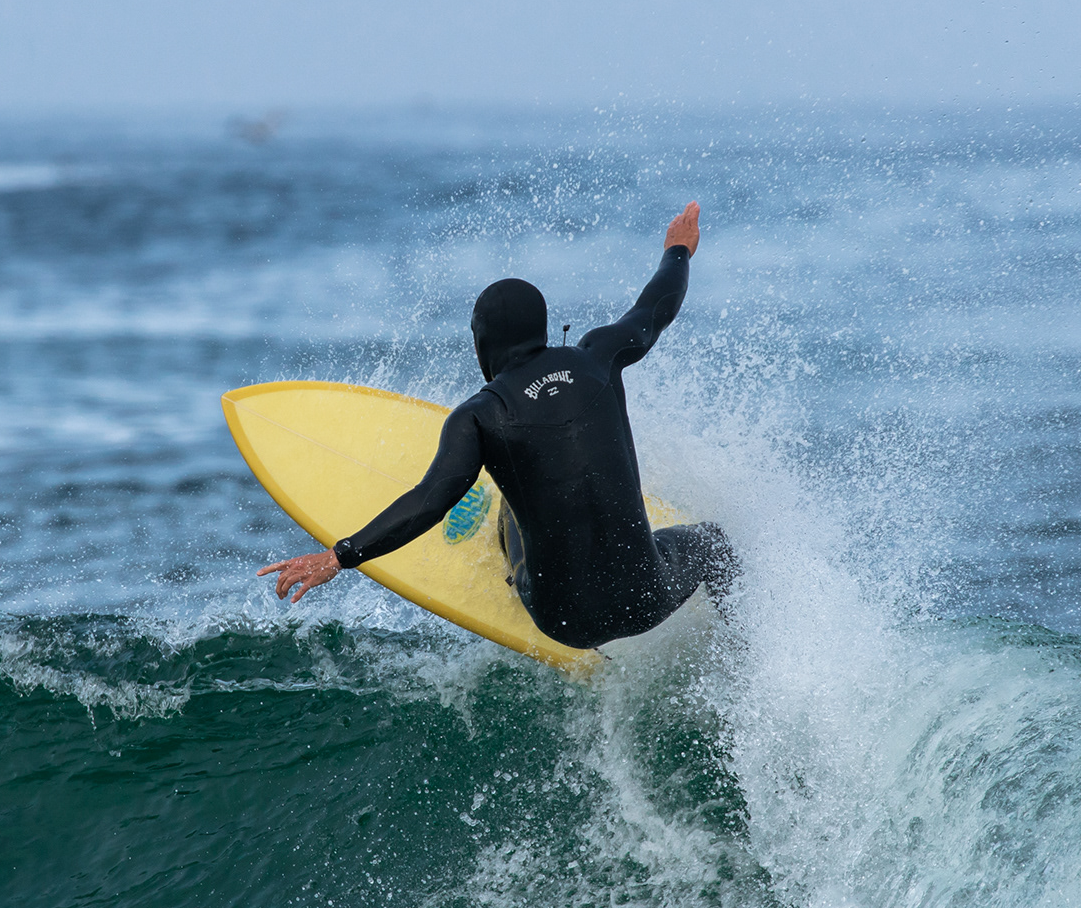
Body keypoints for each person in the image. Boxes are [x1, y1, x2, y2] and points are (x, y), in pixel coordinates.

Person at [258, 201, 735, 649]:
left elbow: (429, 501)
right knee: (718, 546)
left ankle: (514, 555)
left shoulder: (481, 415)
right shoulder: (600, 357)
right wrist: (678, 249)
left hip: (566, 621)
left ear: (482, 344)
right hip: (648, 598)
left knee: (508, 503)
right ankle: (745, 655)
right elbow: (654, 309)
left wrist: (337, 556)